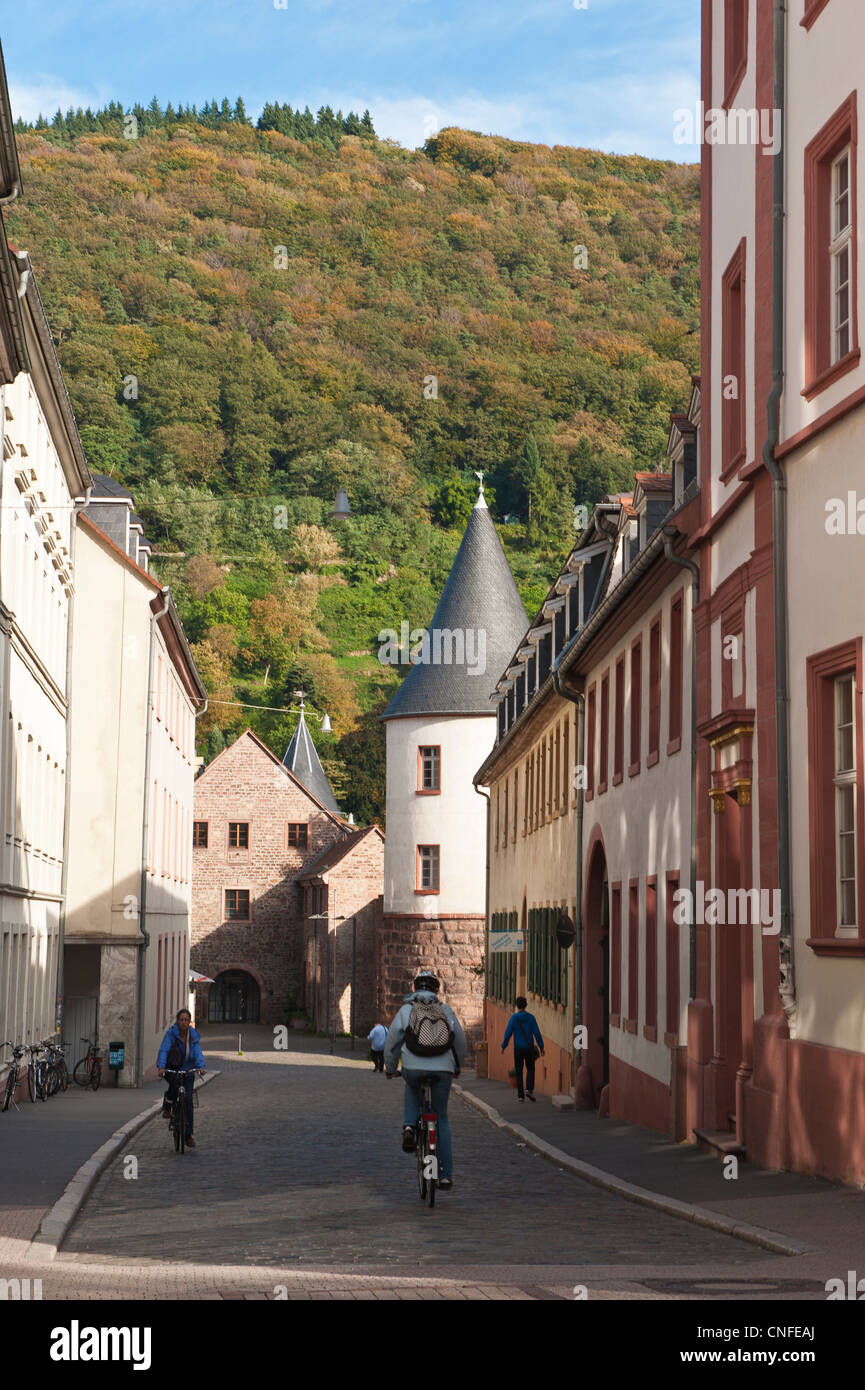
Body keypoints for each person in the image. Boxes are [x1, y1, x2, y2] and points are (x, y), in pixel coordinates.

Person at [384, 969, 466, 1192]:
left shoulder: (406, 1010)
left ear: (414, 988)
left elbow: (392, 1040)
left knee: (411, 1085)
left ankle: (410, 1127)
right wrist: (457, 1066)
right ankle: (446, 1175)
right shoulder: (445, 1010)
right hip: (443, 1070)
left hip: (413, 1066)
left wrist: (390, 1068)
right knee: (442, 1119)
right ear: (437, 990)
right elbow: (459, 1041)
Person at [157, 1008, 206, 1147]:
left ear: (189, 1022)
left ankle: (188, 1135)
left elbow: (197, 1052)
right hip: (173, 1068)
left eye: (186, 1020)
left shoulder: (193, 1035)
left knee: (188, 1101)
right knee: (174, 1084)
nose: (183, 1023)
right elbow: (164, 1050)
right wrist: (161, 1067)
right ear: (177, 1021)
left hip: (188, 1069)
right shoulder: (171, 1034)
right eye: (181, 1020)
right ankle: (168, 1106)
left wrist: (201, 1066)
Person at [501, 996, 544, 1102]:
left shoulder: (514, 1018)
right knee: (531, 1069)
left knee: (519, 1071)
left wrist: (504, 1045)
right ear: (526, 1005)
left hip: (518, 1049)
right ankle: (529, 1090)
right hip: (529, 1048)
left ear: (517, 1005)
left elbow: (508, 1033)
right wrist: (541, 1046)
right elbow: (537, 1033)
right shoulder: (531, 1018)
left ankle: (520, 1096)